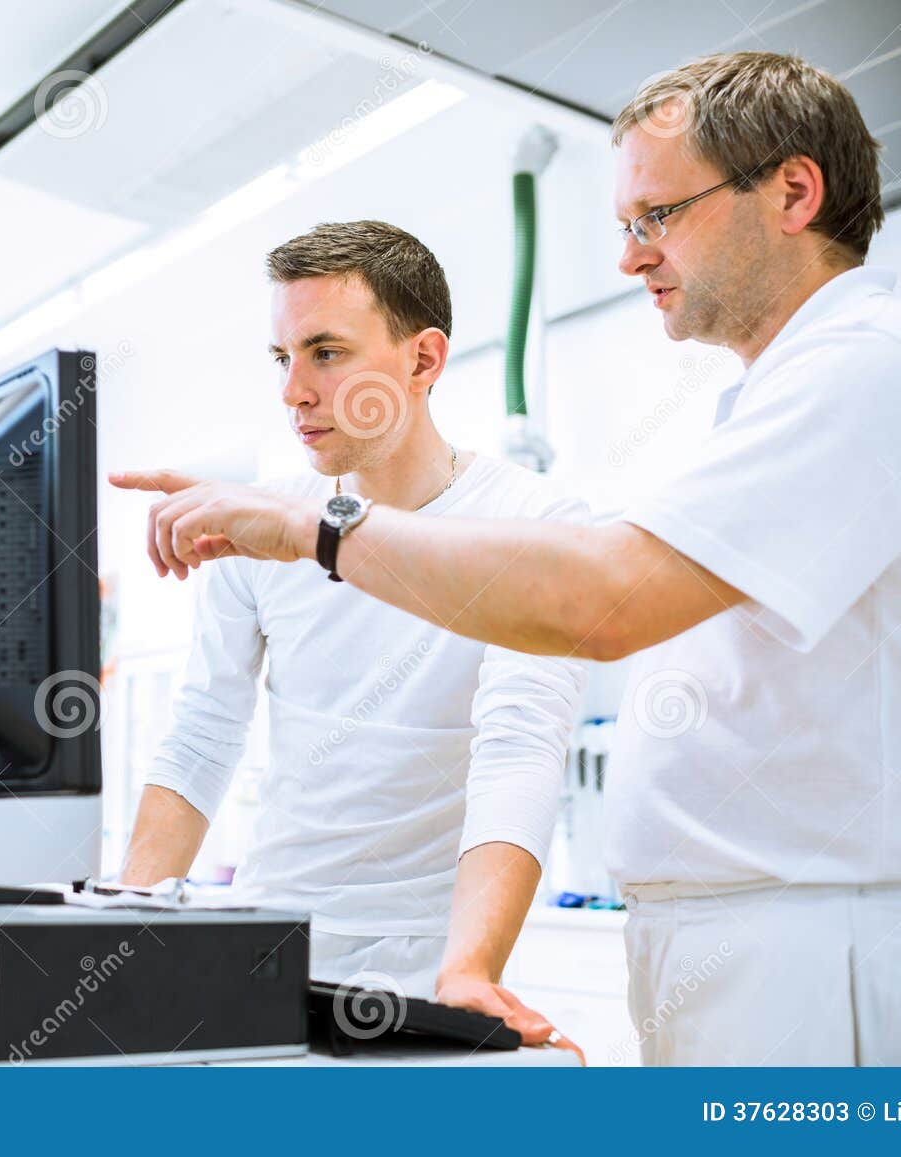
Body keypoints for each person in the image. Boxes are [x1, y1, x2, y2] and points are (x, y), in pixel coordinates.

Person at [113, 52, 901, 1065]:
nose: (632, 258)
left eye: (656, 216)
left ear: (792, 192)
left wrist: (312, 530)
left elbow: (601, 603)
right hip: (758, 944)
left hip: (831, 952)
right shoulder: (775, 397)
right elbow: (203, 731)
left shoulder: (880, 365)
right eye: (624, 227)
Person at [115, 221, 588, 1056]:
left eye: (326, 351)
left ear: (422, 359)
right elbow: (200, 739)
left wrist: (472, 966)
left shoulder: (535, 524)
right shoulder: (256, 529)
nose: (294, 389)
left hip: (432, 966)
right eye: (281, 356)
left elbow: (519, 749)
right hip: (271, 950)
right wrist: (113, 933)